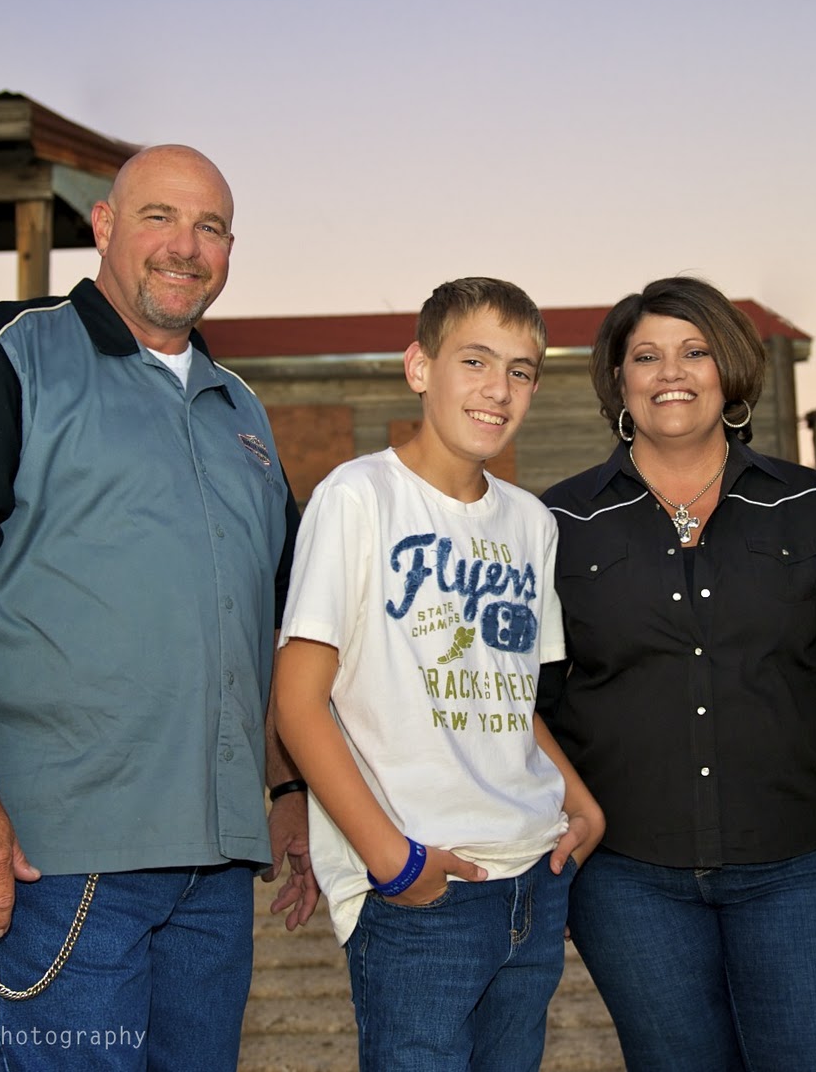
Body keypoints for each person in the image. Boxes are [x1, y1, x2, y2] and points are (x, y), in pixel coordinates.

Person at [0, 145, 317, 1071]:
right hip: (57, 860)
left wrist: (287, 790)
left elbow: (263, 626)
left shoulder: (243, 413)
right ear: (103, 226)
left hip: (216, 869)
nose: (185, 245)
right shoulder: (7, 350)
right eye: (158, 217)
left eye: (211, 227)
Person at [538, 276, 816, 1071]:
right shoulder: (559, 522)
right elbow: (532, 706)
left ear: (728, 369)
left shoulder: (807, 504)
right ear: (619, 379)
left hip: (805, 865)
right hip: (627, 880)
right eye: (646, 356)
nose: (671, 372)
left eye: (694, 351)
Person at [271, 277, 604, 1071]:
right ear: (420, 367)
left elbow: (510, 697)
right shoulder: (358, 497)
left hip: (532, 874)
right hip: (427, 886)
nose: (499, 389)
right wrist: (394, 860)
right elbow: (297, 703)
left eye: (521, 370)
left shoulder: (530, 522)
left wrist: (581, 802)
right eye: (476, 361)